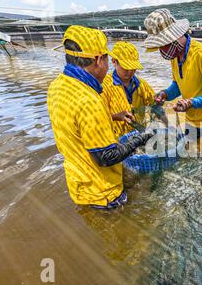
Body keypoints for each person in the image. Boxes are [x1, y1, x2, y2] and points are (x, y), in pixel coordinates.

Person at [47, 25, 153, 210]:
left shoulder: (57, 86)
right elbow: (106, 157)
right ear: (99, 60)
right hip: (104, 192)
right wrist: (141, 139)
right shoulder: (89, 100)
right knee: (130, 234)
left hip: (80, 184)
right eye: (105, 58)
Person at [143, 9, 202, 150]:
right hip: (190, 120)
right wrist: (165, 94)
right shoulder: (175, 57)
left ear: (173, 39)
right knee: (189, 153)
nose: (160, 50)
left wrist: (191, 102)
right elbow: (179, 85)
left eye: (161, 45)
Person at [101, 41, 155, 138]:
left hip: (139, 137)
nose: (130, 72)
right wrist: (115, 116)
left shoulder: (142, 85)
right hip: (116, 141)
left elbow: (155, 106)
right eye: (126, 68)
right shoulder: (104, 86)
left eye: (133, 68)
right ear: (114, 61)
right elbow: (97, 118)